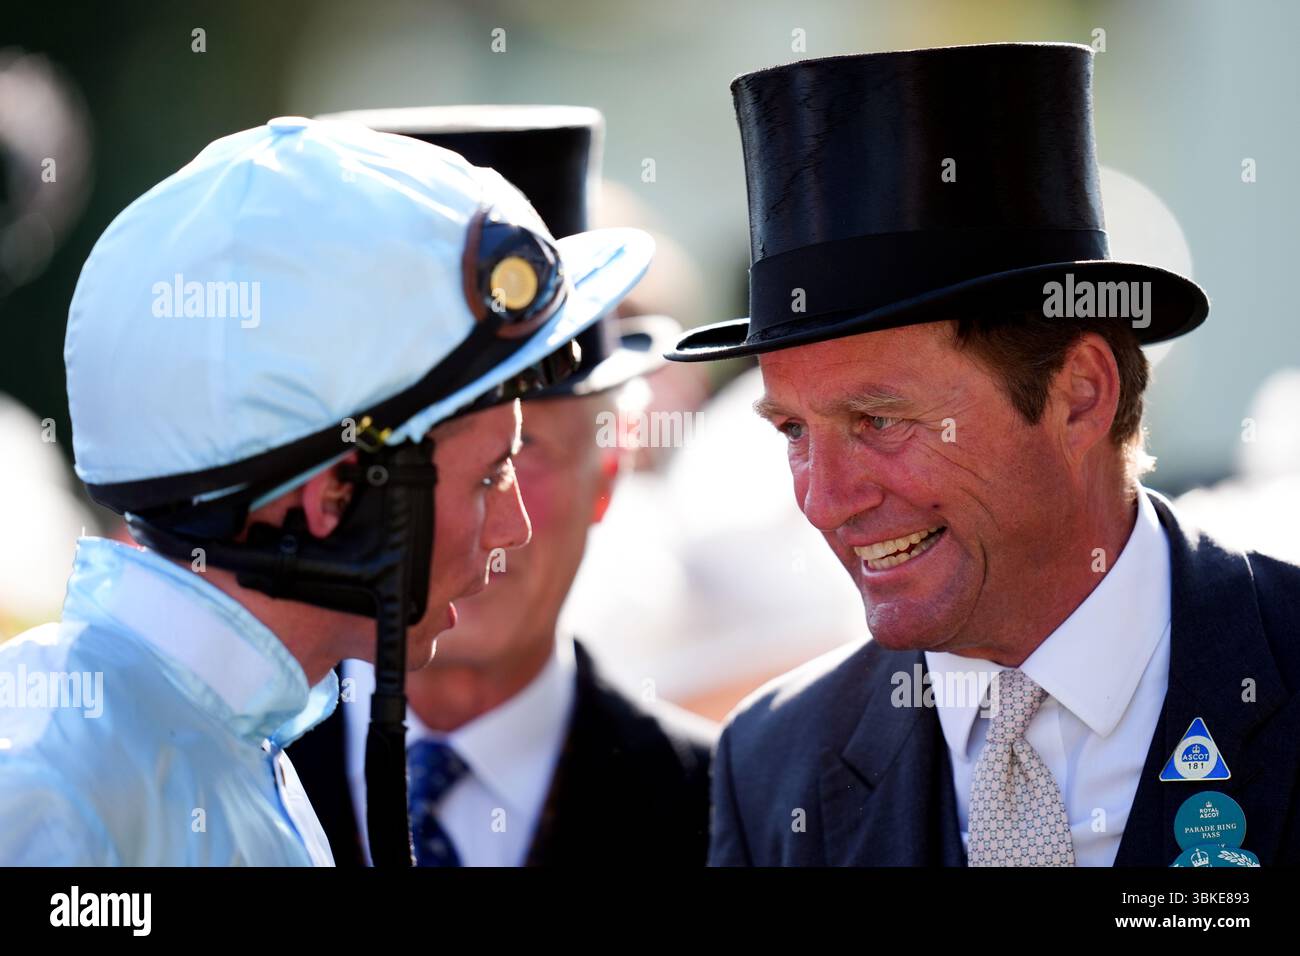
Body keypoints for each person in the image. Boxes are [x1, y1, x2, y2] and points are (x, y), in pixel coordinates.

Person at [668, 43, 1300, 866]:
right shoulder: (775, 766)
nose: (825, 501)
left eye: (879, 420)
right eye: (793, 432)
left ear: (1080, 393)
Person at [0, 116, 653, 865]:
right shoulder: (46, 796)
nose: (513, 529)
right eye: (487, 476)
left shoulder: (215, 739)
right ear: (337, 494)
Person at [290, 105, 716, 867]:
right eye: (418, 462)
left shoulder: (724, 811)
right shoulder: (218, 779)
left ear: (607, 471)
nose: (474, 520)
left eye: (517, 457)